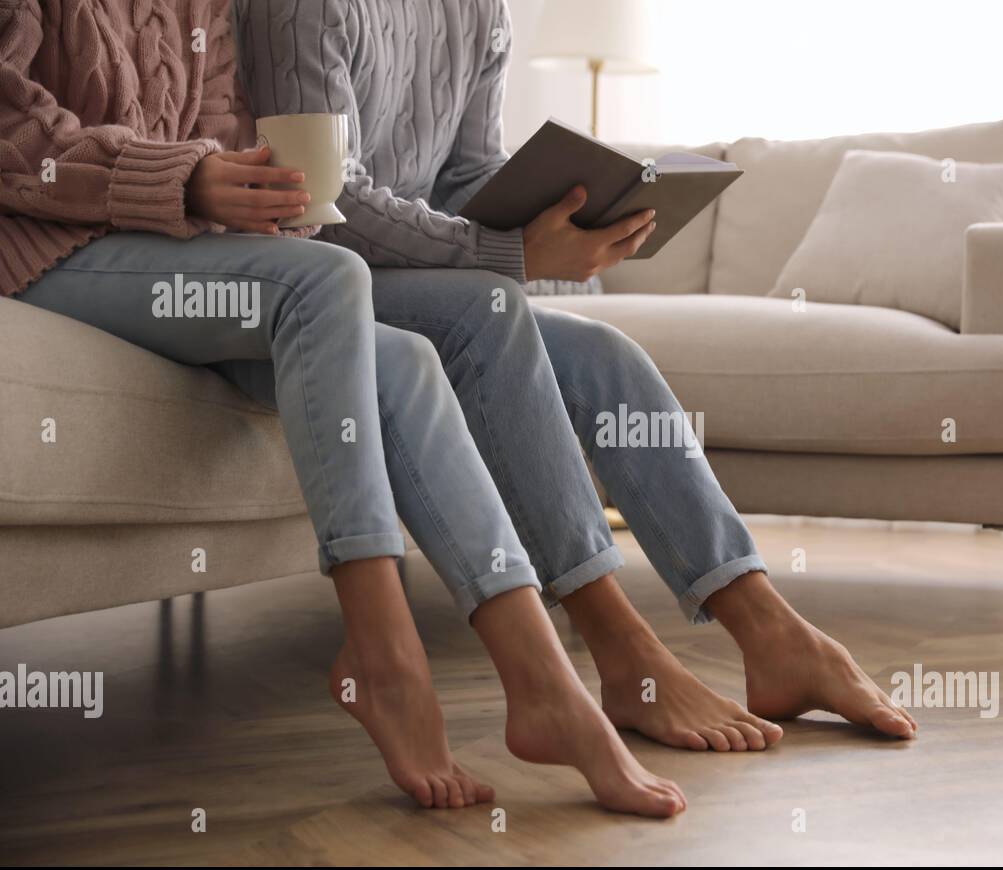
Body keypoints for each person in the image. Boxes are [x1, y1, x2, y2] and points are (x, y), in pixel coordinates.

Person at [1, 0, 688, 817]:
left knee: (398, 352)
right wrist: (183, 177)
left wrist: (247, 189)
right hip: (47, 242)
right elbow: (15, 131)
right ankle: (384, 652)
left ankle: (544, 681)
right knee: (329, 278)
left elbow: (221, 126)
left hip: (179, 241)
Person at [233, 0, 918, 751]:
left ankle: (773, 632)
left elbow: (464, 176)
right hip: (322, 278)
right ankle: (624, 655)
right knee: (488, 306)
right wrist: (512, 255)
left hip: (422, 283)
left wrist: (581, 214)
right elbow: (326, 202)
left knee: (603, 356)